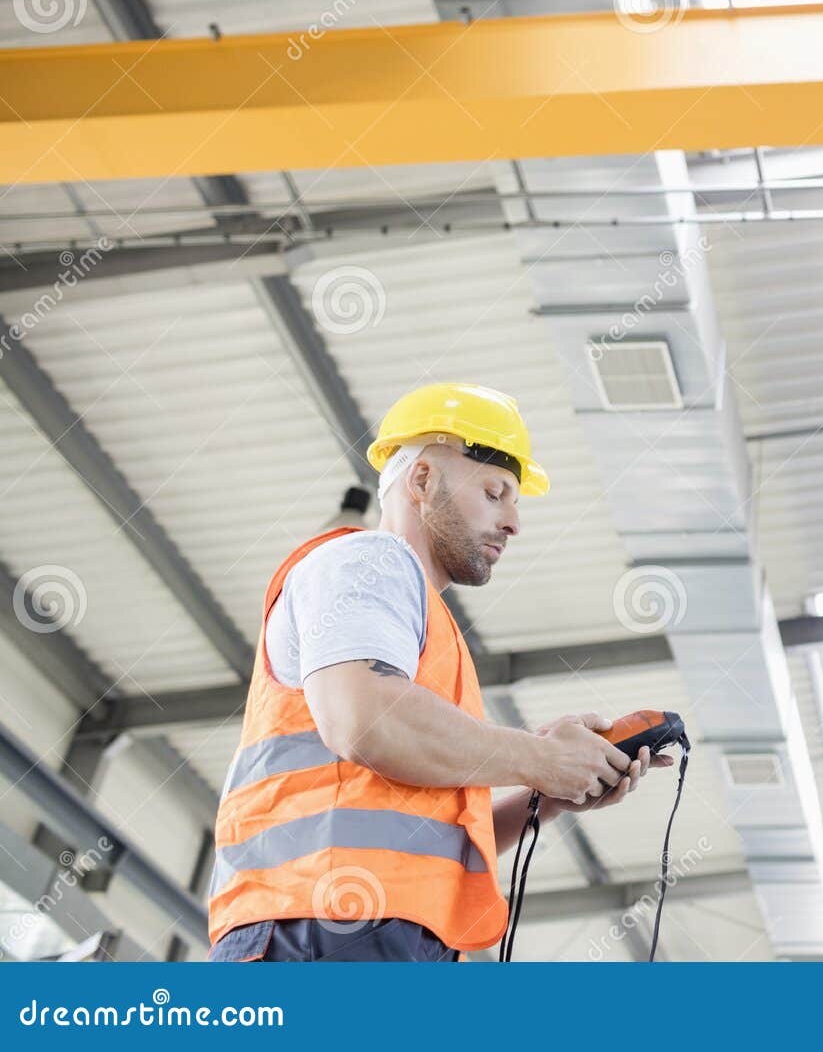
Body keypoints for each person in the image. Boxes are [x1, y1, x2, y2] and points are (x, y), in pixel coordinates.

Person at [207, 382, 669, 962]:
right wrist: (541, 757)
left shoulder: (425, 635)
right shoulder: (368, 561)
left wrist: (544, 795)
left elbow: (434, 835)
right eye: (496, 492)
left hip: (374, 932)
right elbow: (362, 720)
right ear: (422, 481)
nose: (514, 523)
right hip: (316, 924)